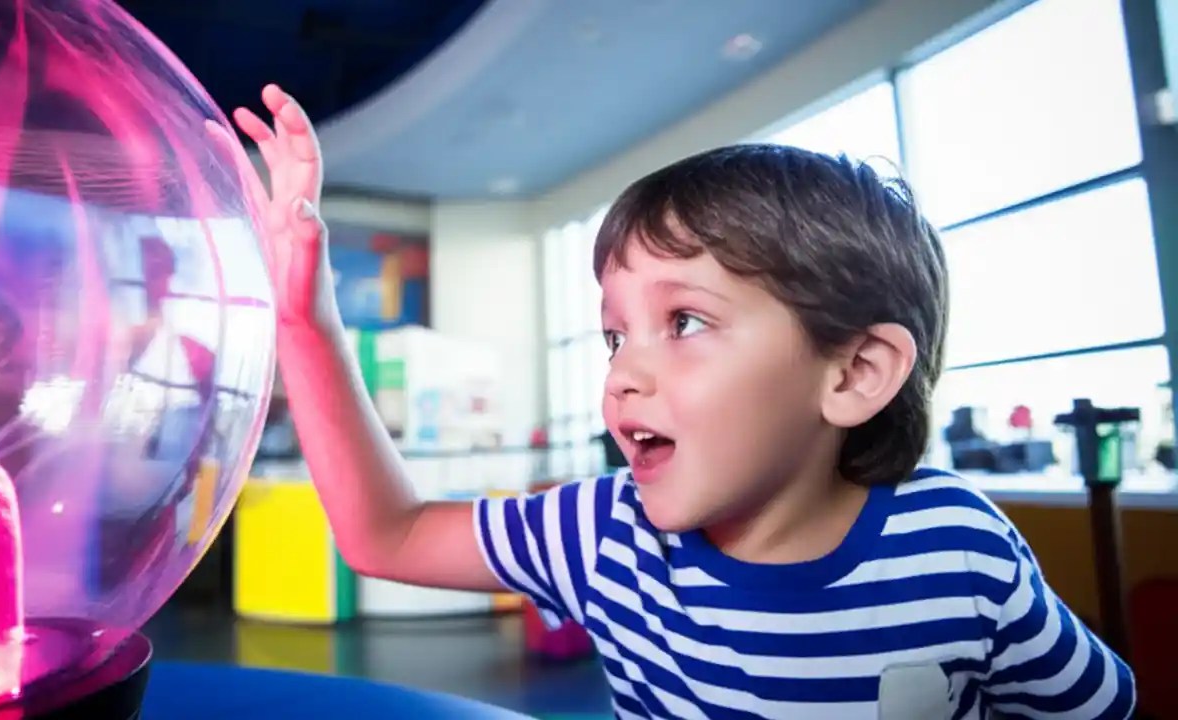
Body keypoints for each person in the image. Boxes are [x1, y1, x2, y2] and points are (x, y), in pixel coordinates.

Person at [226, 84, 1135, 719]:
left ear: (855, 373)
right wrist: (306, 322)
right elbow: (386, 534)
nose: (622, 373)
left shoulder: (960, 549)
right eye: (616, 334)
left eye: (687, 321)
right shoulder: (604, 533)